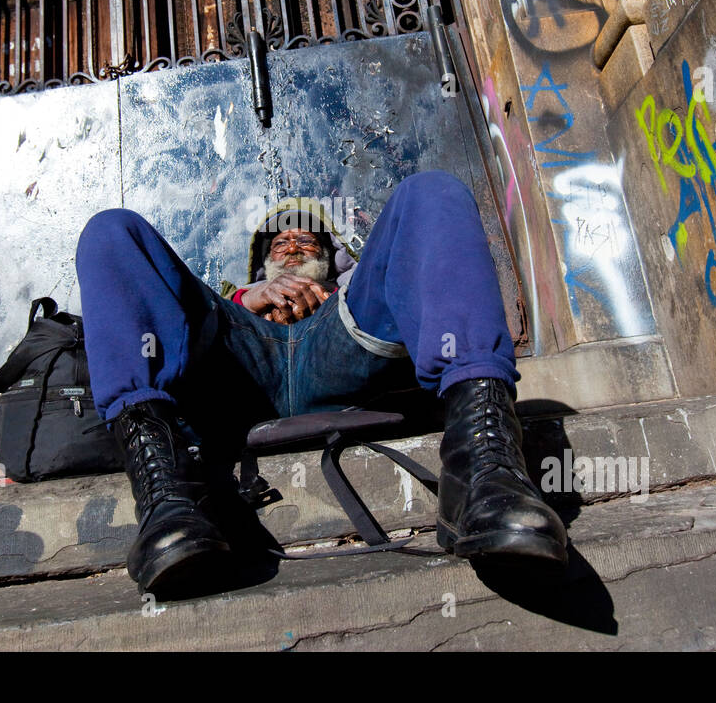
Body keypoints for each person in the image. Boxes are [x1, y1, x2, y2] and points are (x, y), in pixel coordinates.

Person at [75, 170, 566, 595]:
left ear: (332, 259)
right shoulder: (226, 304)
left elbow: (378, 283)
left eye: (307, 243)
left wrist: (340, 296)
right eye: (280, 245)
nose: (292, 247)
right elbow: (201, 307)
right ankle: (168, 497)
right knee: (112, 230)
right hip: (238, 360)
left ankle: (483, 469)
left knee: (430, 190)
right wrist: (248, 301)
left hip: (340, 340)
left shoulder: (356, 289)